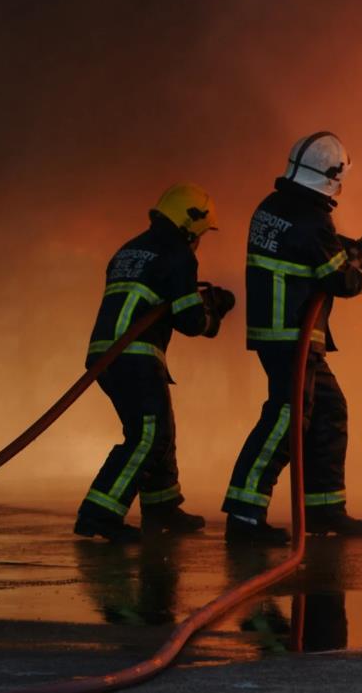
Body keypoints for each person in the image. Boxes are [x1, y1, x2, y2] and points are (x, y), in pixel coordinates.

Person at [221, 131, 362, 544]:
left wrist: (359, 246)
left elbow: (310, 251)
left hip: (285, 334)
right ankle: (244, 516)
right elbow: (339, 279)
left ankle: (323, 509)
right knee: (286, 419)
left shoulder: (275, 206)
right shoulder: (312, 219)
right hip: (291, 336)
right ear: (332, 176)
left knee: (328, 409)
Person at [75, 182, 235, 543]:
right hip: (133, 354)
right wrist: (215, 310)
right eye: (201, 234)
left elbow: (156, 298)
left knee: (160, 428)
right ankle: (99, 513)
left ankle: (162, 505)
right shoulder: (178, 254)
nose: (200, 241)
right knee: (149, 435)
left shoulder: (132, 249)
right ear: (189, 224)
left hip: (110, 352)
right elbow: (191, 320)